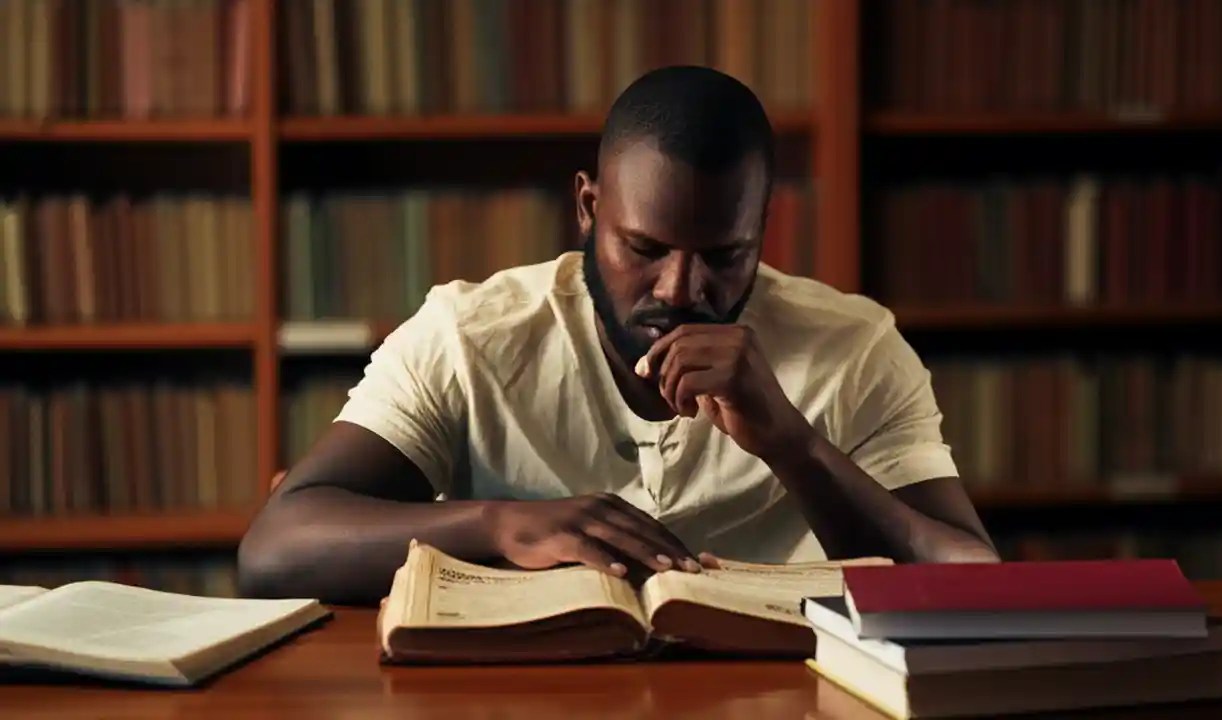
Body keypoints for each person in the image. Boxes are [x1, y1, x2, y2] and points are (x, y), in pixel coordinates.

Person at [238, 66, 998, 606]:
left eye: (724, 256)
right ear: (587, 208)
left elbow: (974, 576)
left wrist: (794, 445)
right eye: (644, 248)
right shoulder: (471, 336)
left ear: (762, 230)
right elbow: (274, 550)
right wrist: (501, 524)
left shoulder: (855, 348)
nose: (681, 289)